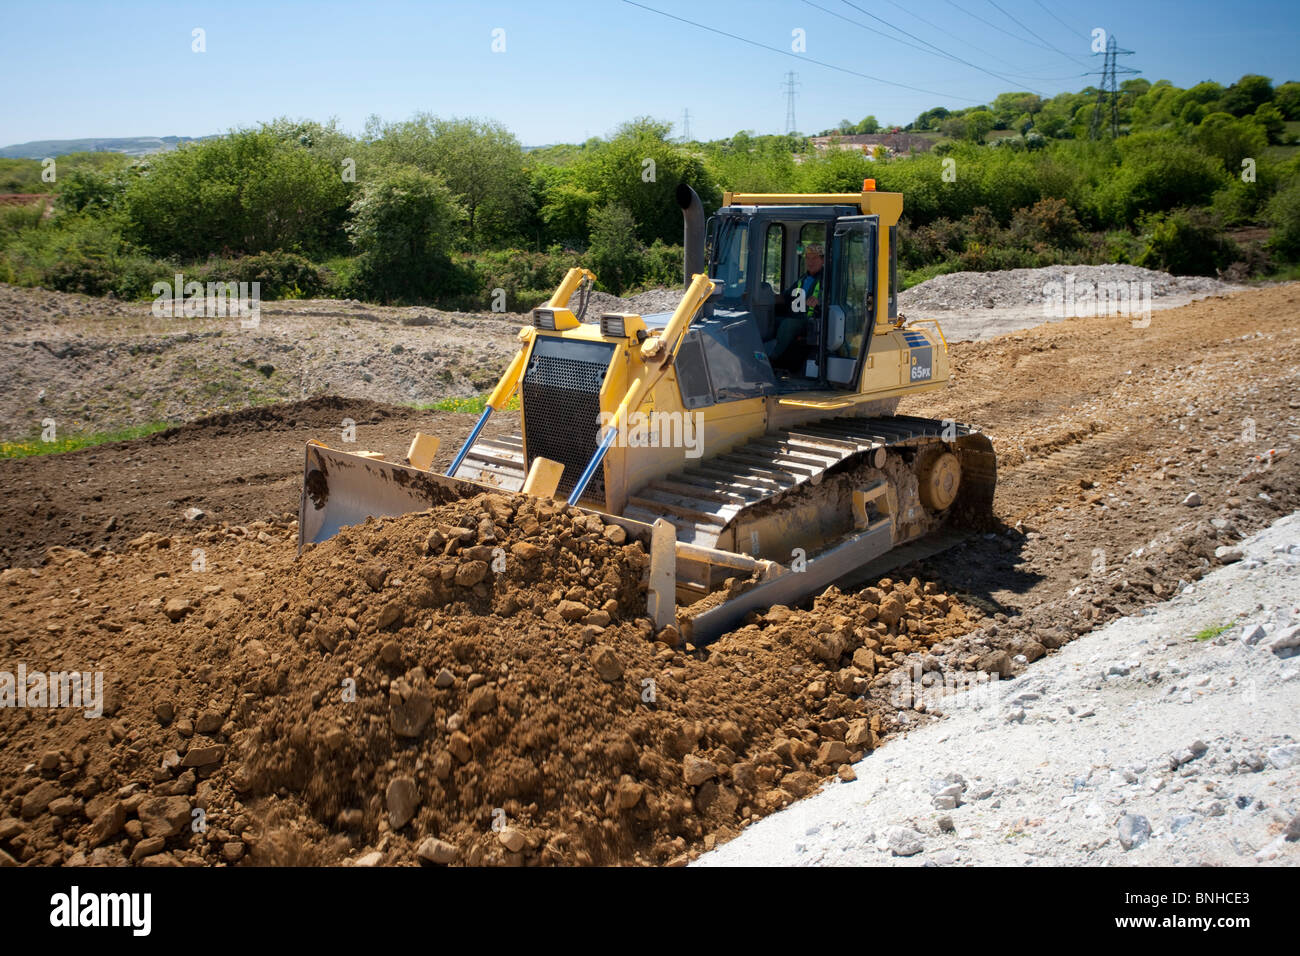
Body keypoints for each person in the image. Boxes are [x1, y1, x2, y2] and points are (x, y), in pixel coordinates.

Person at [766, 243, 824, 363]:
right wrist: (763, 297)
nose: (810, 261)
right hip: (796, 316)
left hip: (812, 321)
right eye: (807, 258)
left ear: (823, 260)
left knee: (788, 324)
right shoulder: (804, 278)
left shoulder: (827, 279)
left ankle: (772, 359)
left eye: (814, 258)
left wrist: (820, 302)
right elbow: (785, 297)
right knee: (769, 320)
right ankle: (759, 352)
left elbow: (834, 300)